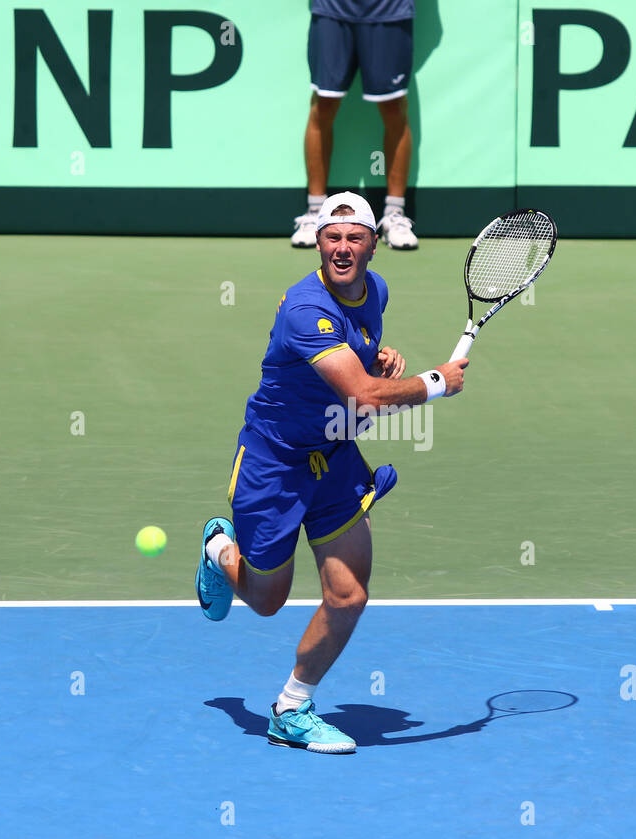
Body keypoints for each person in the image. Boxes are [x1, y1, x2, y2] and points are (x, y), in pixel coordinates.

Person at [198, 191, 469, 753]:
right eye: (332, 237)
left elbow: (359, 365)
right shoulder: (304, 309)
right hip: (274, 462)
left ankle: (291, 707)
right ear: (318, 241)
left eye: (355, 238)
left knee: (348, 596)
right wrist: (435, 381)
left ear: (374, 244)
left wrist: (377, 356)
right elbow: (364, 396)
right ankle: (220, 553)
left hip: (337, 459)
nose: (342, 248)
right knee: (268, 599)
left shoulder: (377, 291)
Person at [291, 0, 419, 251]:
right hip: (332, 9)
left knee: (393, 107)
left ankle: (394, 214)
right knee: (324, 103)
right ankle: (316, 212)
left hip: (389, 11)